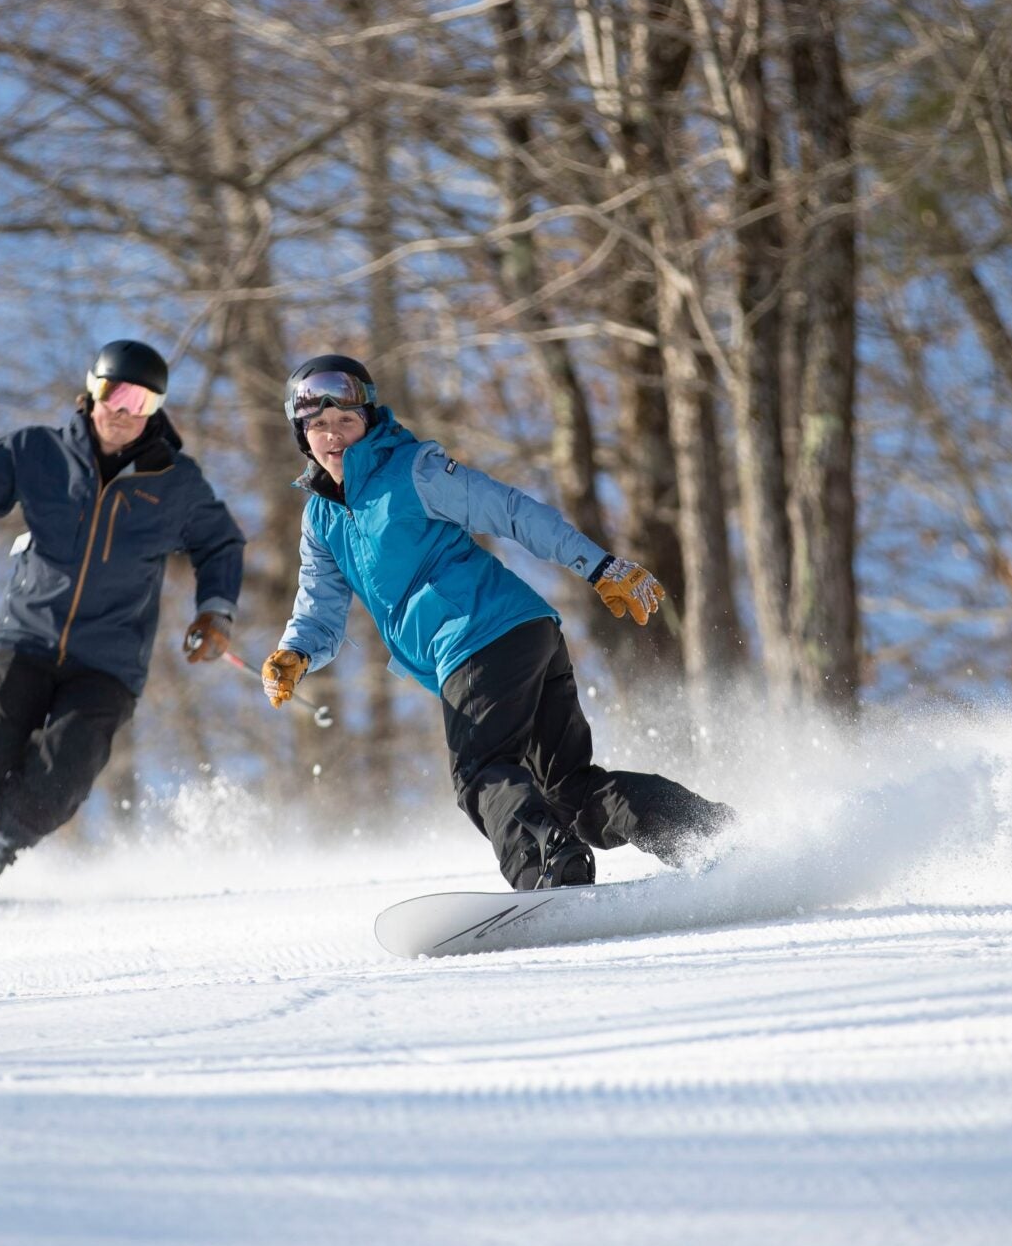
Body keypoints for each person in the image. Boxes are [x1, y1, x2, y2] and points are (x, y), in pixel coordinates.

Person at [261, 354, 731, 890]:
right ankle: (708, 832)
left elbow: (510, 510)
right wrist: (296, 652)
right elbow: (319, 604)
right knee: (568, 790)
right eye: (318, 426)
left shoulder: (414, 470)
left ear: (369, 421)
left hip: (479, 635)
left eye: (345, 421)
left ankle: (548, 869)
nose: (334, 436)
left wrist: (598, 566)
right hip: (521, 636)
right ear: (302, 435)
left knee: (481, 773)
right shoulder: (321, 516)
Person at [0, 339, 246, 919]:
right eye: (115, 393)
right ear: (92, 392)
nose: (125, 409)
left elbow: (220, 542)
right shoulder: (40, 453)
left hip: (110, 660)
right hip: (28, 637)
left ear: (156, 409)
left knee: (68, 761)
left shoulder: (175, 483)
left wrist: (215, 611)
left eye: (141, 400)